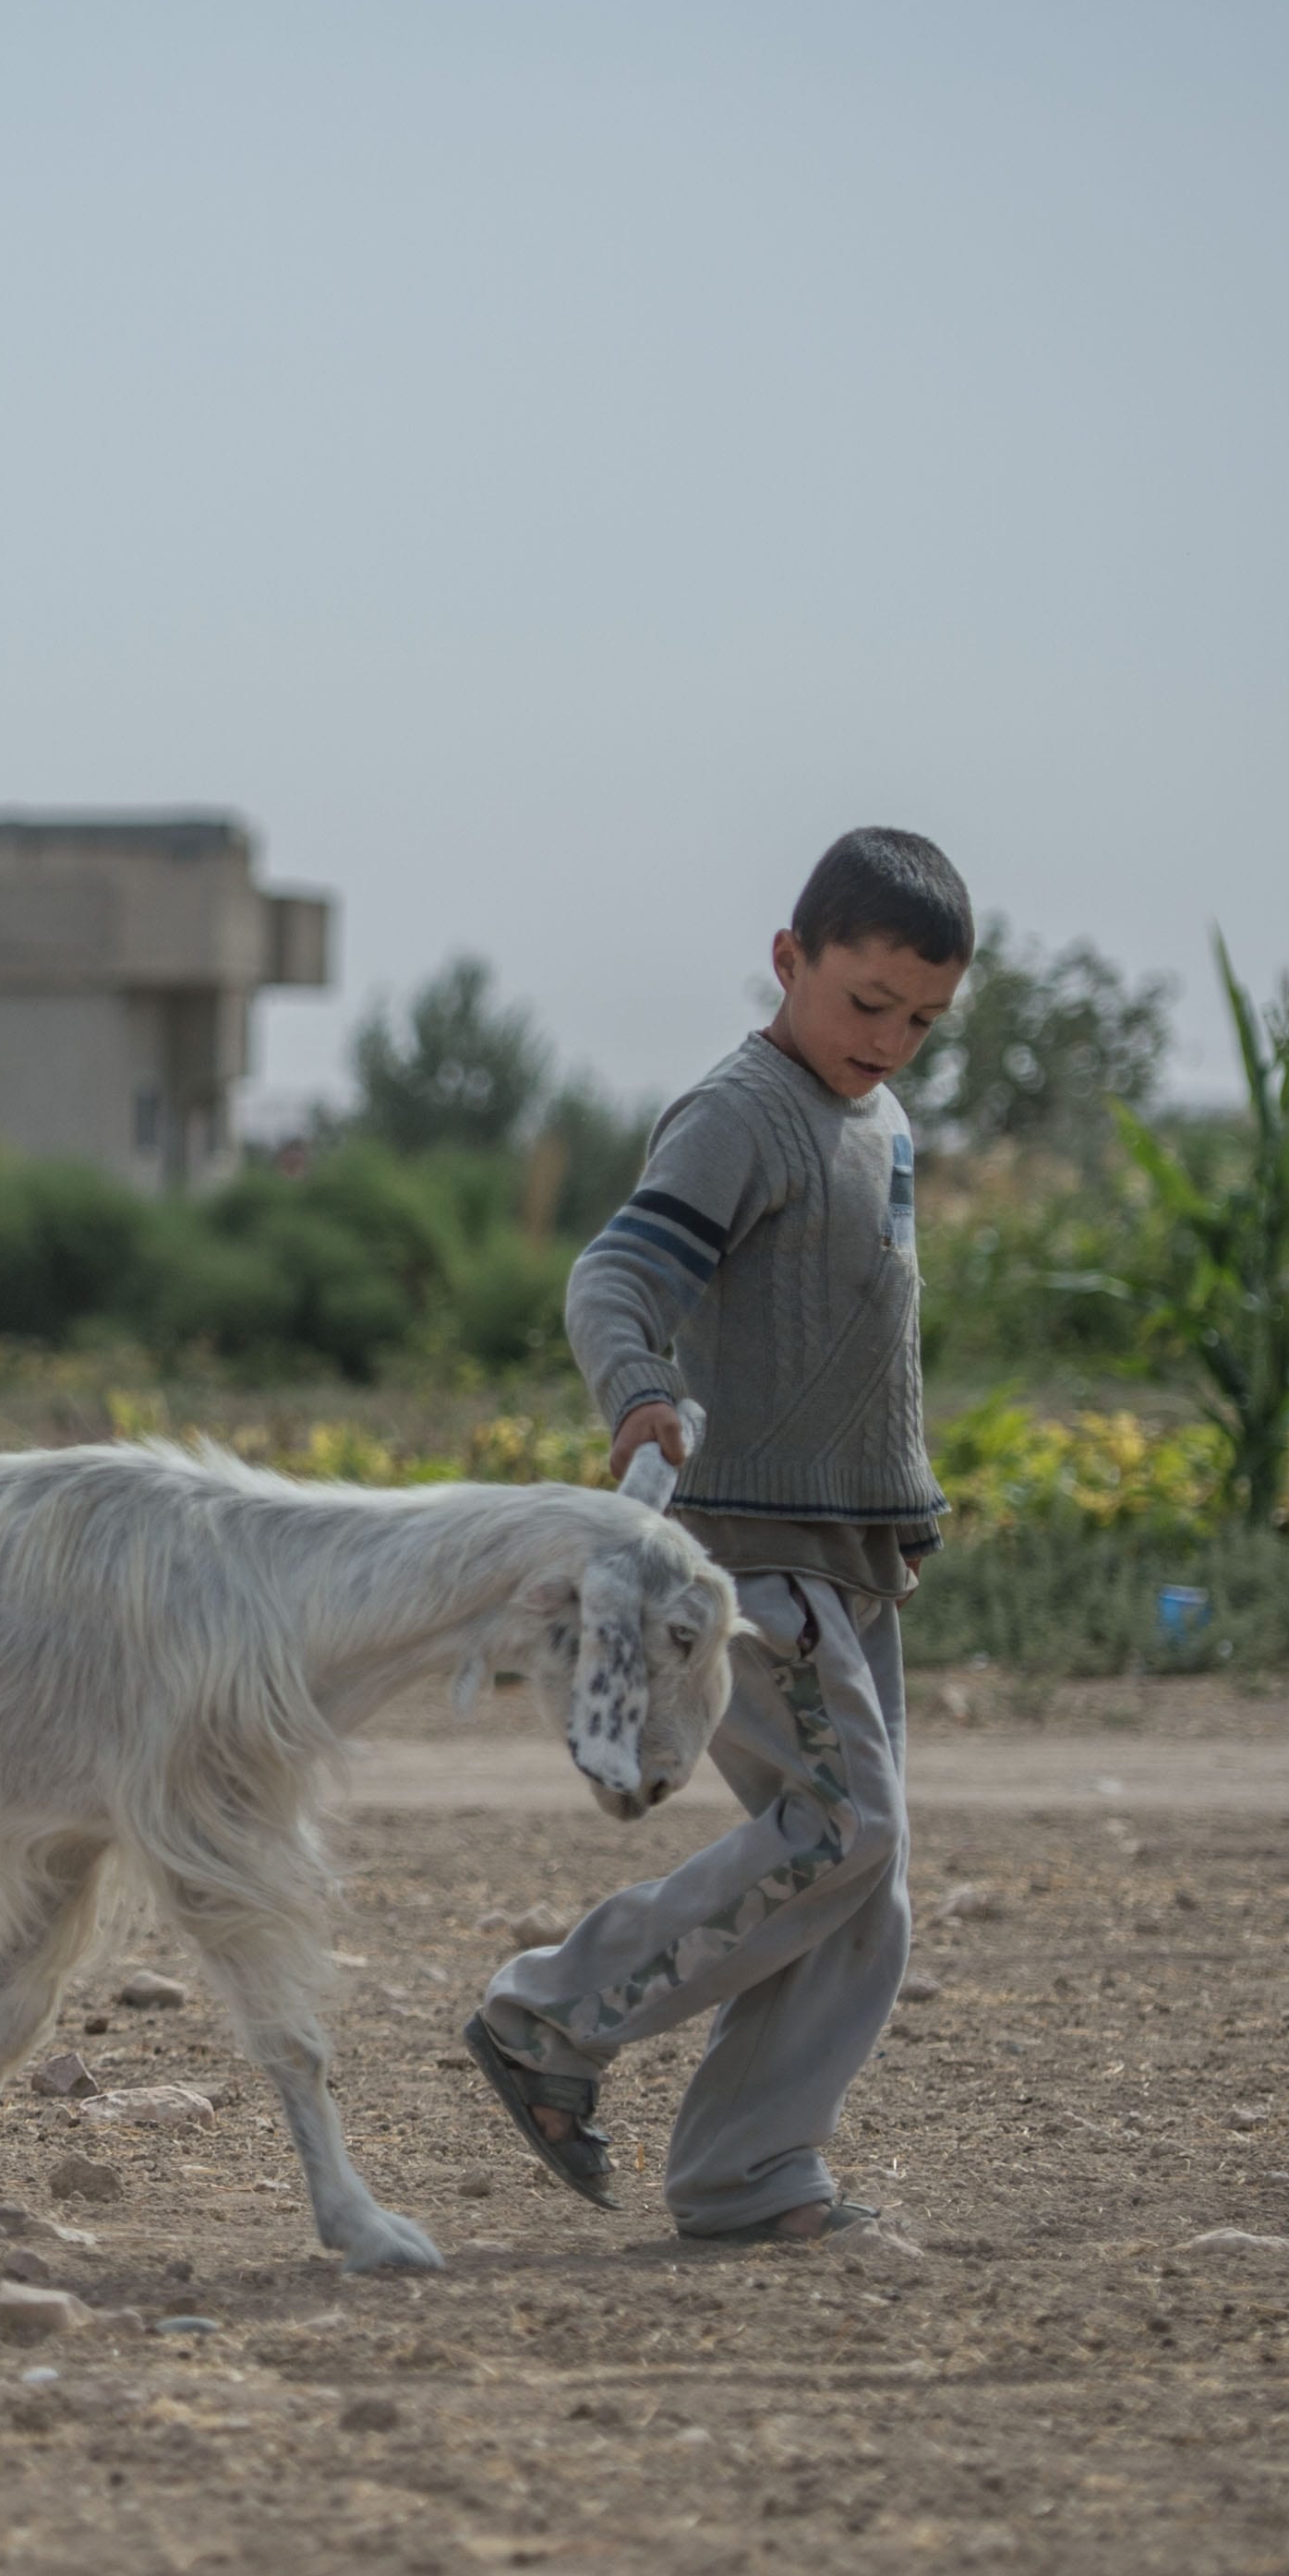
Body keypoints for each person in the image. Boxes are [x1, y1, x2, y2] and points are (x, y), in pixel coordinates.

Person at [462, 826, 970, 2243]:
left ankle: (750, 2176)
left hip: (847, 1560)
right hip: (748, 1554)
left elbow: (864, 1349)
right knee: (844, 1828)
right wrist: (635, 1393)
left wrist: (900, 1511)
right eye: (867, 1002)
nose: (890, 1039)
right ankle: (552, 2015)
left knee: (861, 1886)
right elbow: (614, 1275)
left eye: (923, 1021)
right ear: (789, 959)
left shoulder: (882, 1124)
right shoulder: (740, 1114)